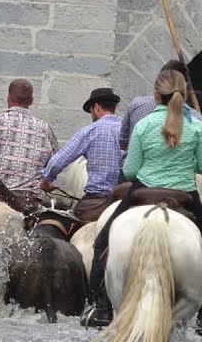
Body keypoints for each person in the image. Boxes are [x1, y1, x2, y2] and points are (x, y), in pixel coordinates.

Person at [82, 69, 202, 328]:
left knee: (102, 241)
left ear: (156, 94)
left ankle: (100, 308)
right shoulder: (196, 125)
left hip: (143, 189)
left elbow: (131, 170)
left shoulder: (144, 124)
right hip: (185, 193)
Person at [39, 88, 122, 222]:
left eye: (90, 111)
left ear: (96, 107)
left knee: (70, 230)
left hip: (98, 199)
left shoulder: (90, 131)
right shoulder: (130, 129)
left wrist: (46, 180)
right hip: (126, 200)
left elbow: (58, 161)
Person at [0, 79, 58, 194]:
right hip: (29, 200)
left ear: (8, 98)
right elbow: (55, 162)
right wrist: (45, 179)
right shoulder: (45, 129)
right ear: (31, 101)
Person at [118, 59, 200, 151]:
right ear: (184, 87)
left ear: (158, 85)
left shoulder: (137, 107)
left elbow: (123, 144)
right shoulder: (197, 120)